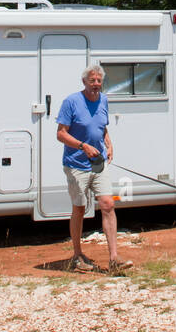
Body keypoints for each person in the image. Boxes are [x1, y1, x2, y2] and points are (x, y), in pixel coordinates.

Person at [56, 63, 132, 272]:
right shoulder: (71, 102)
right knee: (80, 208)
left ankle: (114, 258)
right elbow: (61, 133)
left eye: (99, 81)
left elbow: (102, 126)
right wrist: (82, 146)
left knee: (108, 204)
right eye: (92, 80)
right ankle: (77, 255)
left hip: (97, 163)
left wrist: (109, 144)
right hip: (76, 164)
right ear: (84, 82)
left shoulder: (104, 100)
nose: (96, 84)